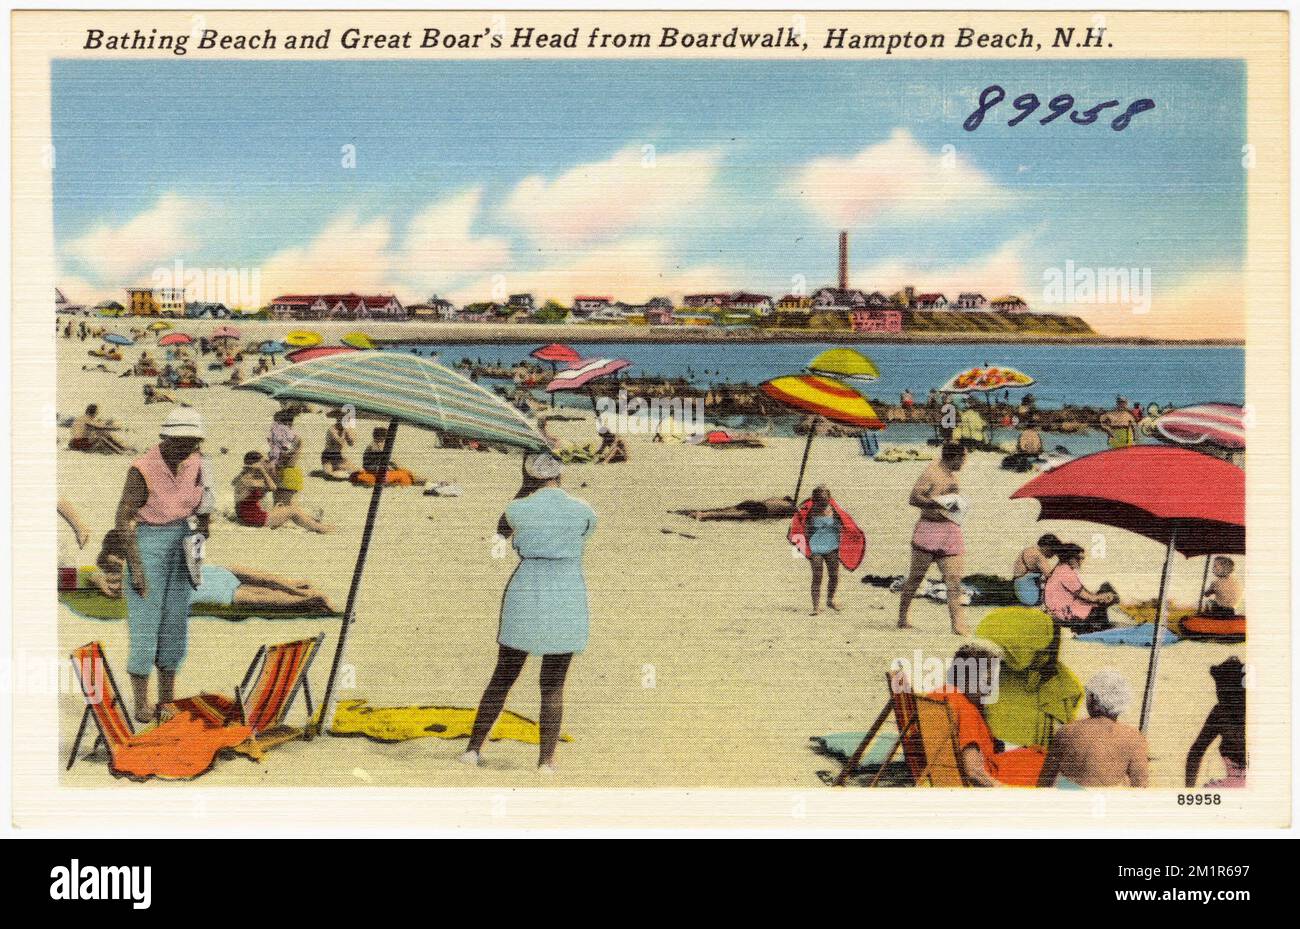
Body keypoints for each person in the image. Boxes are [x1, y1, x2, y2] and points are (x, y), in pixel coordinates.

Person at [461, 452, 596, 773]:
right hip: (566, 589)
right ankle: (546, 762)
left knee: (503, 676)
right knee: (553, 684)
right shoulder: (586, 511)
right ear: (560, 474)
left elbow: (500, 536)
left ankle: (473, 750)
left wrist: (523, 494)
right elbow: (583, 540)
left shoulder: (516, 509)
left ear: (527, 475)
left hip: (526, 585)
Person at [113, 407, 210, 722]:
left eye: (192, 443)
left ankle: (166, 700)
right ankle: (141, 703)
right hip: (148, 542)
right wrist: (136, 567)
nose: (187, 449)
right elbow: (123, 518)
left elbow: (205, 504)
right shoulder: (142, 468)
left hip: (183, 540)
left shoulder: (197, 463)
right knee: (145, 623)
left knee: (174, 623)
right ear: (166, 438)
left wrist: (202, 532)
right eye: (181, 443)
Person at [87, 529, 335, 613]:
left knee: (265, 599)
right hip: (215, 574)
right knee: (265, 583)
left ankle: (310, 597)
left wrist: (101, 580)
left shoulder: (134, 577)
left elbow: (110, 586)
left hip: (211, 588)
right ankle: (298, 588)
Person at [924, 645, 1047, 786]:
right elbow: (972, 770)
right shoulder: (965, 709)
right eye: (987, 682)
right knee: (1044, 760)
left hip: (941, 766)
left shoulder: (938, 696)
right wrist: (1001, 788)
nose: (990, 691)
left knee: (1032, 753)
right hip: (989, 775)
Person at [899, 443, 969, 635]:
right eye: (963, 459)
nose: (964, 463)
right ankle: (902, 617)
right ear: (953, 457)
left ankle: (957, 625)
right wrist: (938, 502)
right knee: (915, 578)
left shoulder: (952, 475)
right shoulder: (931, 472)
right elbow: (913, 498)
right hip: (928, 529)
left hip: (951, 530)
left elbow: (950, 503)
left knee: (954, 580)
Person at [1037, 671, 1149, 788]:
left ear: (1092, 699)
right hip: (1103, 802)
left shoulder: (1067, 732)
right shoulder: (1134, 738)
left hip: (1070, 801)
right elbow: (1140, 786)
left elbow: (1045, 781)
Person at [788, 485, 865, 615]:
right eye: (819, 500)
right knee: (817, 577)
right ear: (814, 500)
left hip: (832, 547)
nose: (823, 502)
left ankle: (830, 600)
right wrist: (805, 550)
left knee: (834, 576)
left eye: (825, 499)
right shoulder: (809, 512)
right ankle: (816, 607)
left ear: (829, 498)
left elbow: (847, 525)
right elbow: (803, 531)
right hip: (816, 547)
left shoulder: (836, 511)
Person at [232, 451, 333, 533]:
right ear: (257, 464)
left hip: (248, 515)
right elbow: (272, 487)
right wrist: (262, 471)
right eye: (264, 461)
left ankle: (314, 523)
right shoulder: (248, 480)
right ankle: (320, 528)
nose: (267, 463)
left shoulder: (245, 477)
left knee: (286, 507)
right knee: (293, 511)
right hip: (253, 518)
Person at [1186, 657, 1247, 788]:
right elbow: (1196, 751)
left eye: (1220, 687)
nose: (1217, 691)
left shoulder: (1222, 713)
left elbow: (1196, 751)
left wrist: (1189, 789)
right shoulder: (1220, 711)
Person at [1042, 544, 1119, 634]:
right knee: (1105, 591)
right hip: (1065, 613)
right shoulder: (1066, 572)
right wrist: (1104, 596)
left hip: (1062, 608)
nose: (1082, 561)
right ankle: (1098, 627)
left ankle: (1098, 625)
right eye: (1080, 558)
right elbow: (1089, 597)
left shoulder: (1061, 568)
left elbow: (1082, 592)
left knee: (1104, 592)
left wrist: (1100, 596)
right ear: (1071, 558)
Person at [356, 426, 427, 485]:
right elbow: (379, 464)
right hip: (376, 472)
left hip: (377, 470)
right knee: (403, 475)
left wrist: (393, 466)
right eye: (385, 439)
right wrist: (391, 467)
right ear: (381, 438)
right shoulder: (375, 447)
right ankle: (421, 481)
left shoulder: (373, 445)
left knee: (405, 471)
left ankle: (421, 480)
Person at [1012, 533, 1063, 606]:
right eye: (1053, 551)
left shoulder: (1029, 550)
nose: (1053, 555)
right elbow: (1050, 577)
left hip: (1018, 586)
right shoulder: (1039, 556)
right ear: (1047, 547)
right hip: (1027, 591)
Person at [320, 408, 357, 479]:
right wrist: (345, 431)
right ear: (338, 418)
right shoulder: (332, 429)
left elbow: (351, 444)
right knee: (329, 474)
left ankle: (339, 469)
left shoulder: (347, 429)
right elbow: (339, 442)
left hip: (338, 456)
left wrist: (349, 433)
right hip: (327, 457)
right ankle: (337, 469)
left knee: (355, 470)